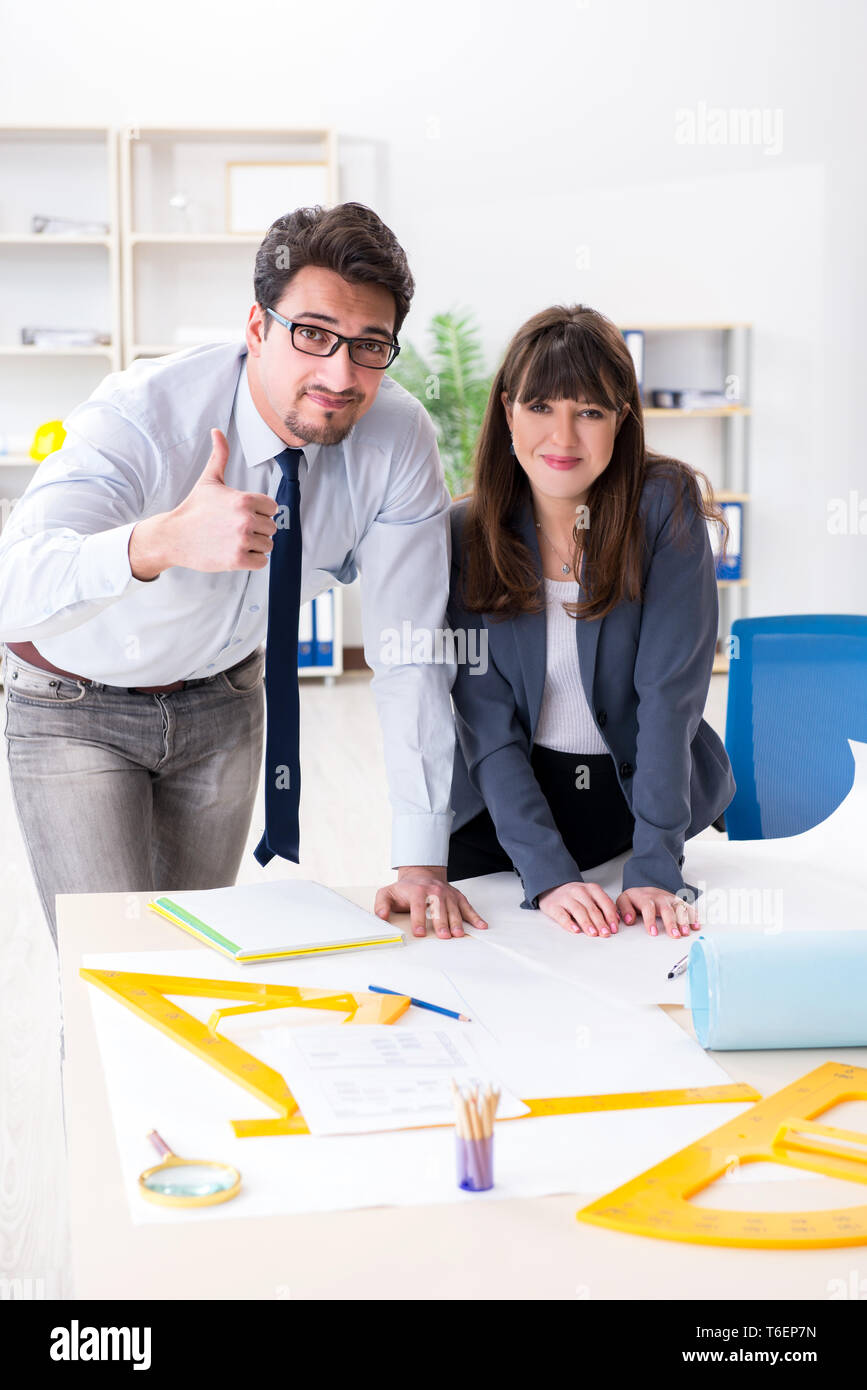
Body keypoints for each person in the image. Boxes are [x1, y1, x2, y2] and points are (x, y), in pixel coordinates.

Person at [0, 202, 485, 946]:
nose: (340, 373)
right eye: (313, 334)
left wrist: (421, 859)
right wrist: (156, 543)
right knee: (110, 975)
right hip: (74, 706)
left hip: (222, 703)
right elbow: (13, 590)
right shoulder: (145, 416)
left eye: (368, 346)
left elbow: (408, 648)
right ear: (257, 328)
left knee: (194, 960)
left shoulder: (395, 438)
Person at [446, 304, 735, 940]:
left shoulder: (666, 507)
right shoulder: (468, 532)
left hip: (640, 808)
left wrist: (657, 864)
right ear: (507, 411)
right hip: (504, 819)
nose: (564, 437)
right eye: (542, 407)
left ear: (622, 421)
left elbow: (669, 701)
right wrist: (547, 873)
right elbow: (485, 722)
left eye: (591, 412)